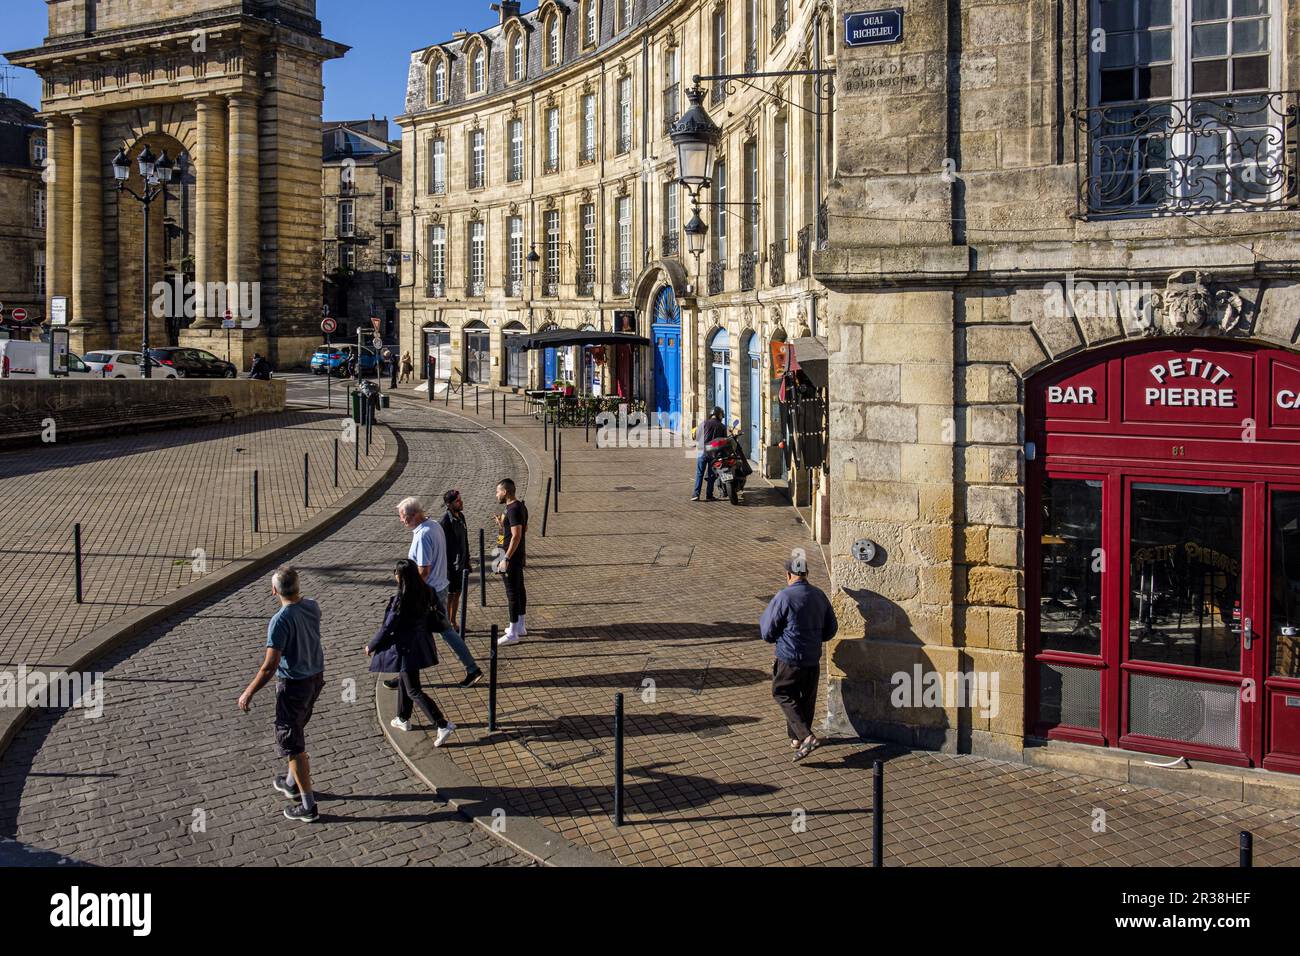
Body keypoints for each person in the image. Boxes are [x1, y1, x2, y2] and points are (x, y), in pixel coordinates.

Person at [238, 567, 326, 823]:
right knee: (296, 730)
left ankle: (308, 805)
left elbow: (269, 666)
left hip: (293, 685)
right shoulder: (312, 606)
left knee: (292, 744)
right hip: (315, 679)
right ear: (298, 586)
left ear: (274, 590)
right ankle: (290, 783)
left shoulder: (280, 620)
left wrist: (248, 692)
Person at [366, 559, 456, 747]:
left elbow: (387, 627)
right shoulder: (428, 591)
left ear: (401, 577)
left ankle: (442, 723)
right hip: (422, 644)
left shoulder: (401, 600)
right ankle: (403, 717)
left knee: (414, 689)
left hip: (406, 649)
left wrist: (371, 645)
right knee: (407, 682)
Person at [759, 552, 838, 762]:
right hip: (812, 658)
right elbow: (831, 629)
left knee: (782, 692)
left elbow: (767, 632)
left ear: (789, 574)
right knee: (806, 699)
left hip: (790, 657)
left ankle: (806, 736)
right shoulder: (819, 595)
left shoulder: (784, 597)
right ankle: (796, 738)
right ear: (806, 573)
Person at [397, 496, 483, 686]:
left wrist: (408, 591)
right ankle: (471, 668)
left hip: (428, 594)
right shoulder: (434, 525)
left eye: (403, 517)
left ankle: (406, 676)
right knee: (439, 632)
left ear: (412, 516)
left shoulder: (422, 536)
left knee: (412, 633)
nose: (401, 521)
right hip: (440, 587)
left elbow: (423, 571)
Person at [495, 478, 529, 645]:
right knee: (519, 589)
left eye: (498, 491)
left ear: (506, 492)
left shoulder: (513, 509)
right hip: (517, 555)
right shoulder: (520, 507)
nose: (496, 495)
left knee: (512, 594)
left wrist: (506, 558)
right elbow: (523, 529)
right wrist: (502, 526)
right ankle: (520, 626)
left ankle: (513, 633)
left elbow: (517, 535)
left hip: (511, 558)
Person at [439, 489, 471, 633]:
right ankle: (447, 624)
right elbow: (443, 546)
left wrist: (467, 559)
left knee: (458, 592)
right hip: (450, 566)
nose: (461, 502)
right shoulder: (445, 521)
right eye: (458, 500)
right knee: (450, 595)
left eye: (460, 499)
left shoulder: (461, 517)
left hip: (462, 563)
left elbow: (465, 540)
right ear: (450, 504)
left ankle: (453, 621)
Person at [691, 407, 727, 502]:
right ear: (719, 415)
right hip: (714, 454)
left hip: (702, 451)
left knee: (699, 473)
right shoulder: (722, 426)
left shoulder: (704, 423)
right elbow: (724, 441)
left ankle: (696, 494)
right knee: (711, 475)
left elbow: (697, 437)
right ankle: (709, 495)